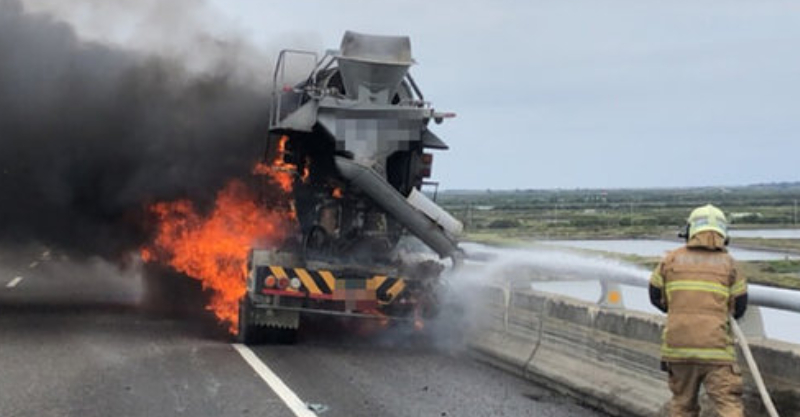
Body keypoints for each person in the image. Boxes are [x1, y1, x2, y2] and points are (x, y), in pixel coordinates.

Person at [649, 204, 748, 417]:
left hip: (678, 349)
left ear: (689, 230)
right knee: (728, 405)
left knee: (682, 405)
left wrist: (681, 309)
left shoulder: (671, 259)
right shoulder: (730, 264)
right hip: (717, 350)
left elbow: (655, 297)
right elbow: (739, 307)